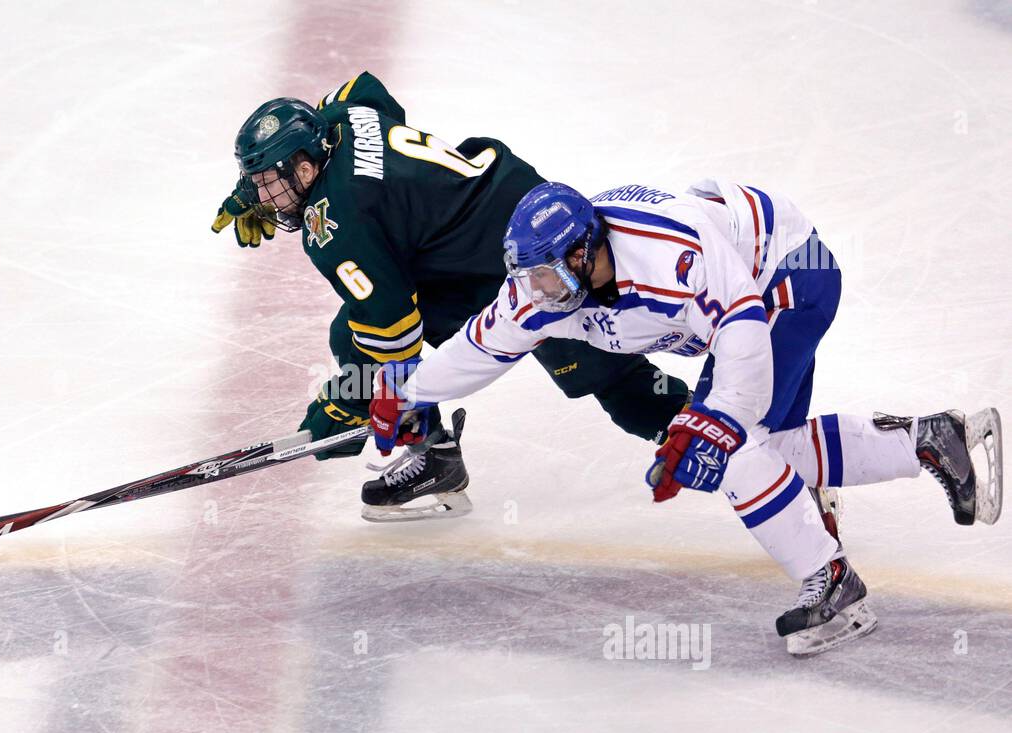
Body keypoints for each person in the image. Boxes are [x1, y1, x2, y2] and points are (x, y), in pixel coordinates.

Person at [371, 179, 1002, 655]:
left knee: (733, 448)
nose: (536, 294)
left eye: (546, 277)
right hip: (745, 302)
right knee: (763, 448)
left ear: (588, 253)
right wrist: (414, 392)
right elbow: (486, 342)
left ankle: (831, 579)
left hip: (787, 276)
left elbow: (743, 326)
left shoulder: (669, 253)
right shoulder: (547, 283)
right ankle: (930, 441)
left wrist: (717, 418)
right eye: (528, 279)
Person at [211, 72, 692, 521]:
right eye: (258, 183)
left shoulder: (336, 224)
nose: (265, 198)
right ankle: (434, 455)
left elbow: (394, 328)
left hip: (534, 257)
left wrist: (347, 406)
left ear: (305, 164)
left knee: (616, 380)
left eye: (269, 183)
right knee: (353, 336)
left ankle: (715, 432)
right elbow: (367, 90)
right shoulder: (337, 120)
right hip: (492, 219)